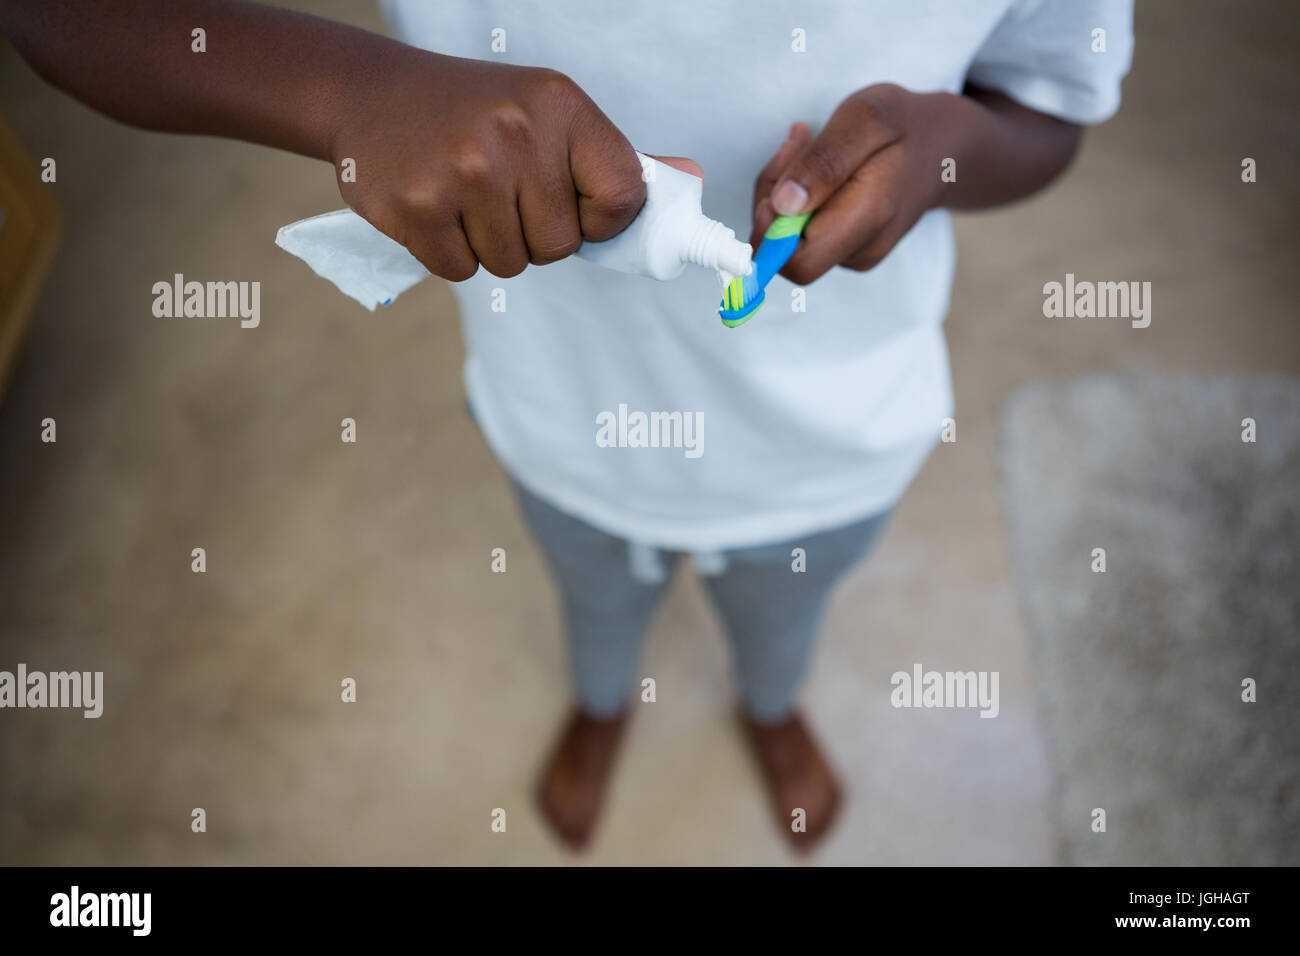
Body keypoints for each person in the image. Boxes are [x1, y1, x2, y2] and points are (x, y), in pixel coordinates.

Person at [1, 0, 1134, 852]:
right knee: (594, 599)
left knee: (782, 611)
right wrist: (346, 90)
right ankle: (600, 705)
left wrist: (938, 148)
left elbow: (1050, 113)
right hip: (561, 419)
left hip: (834, 443)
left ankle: (770, 704)